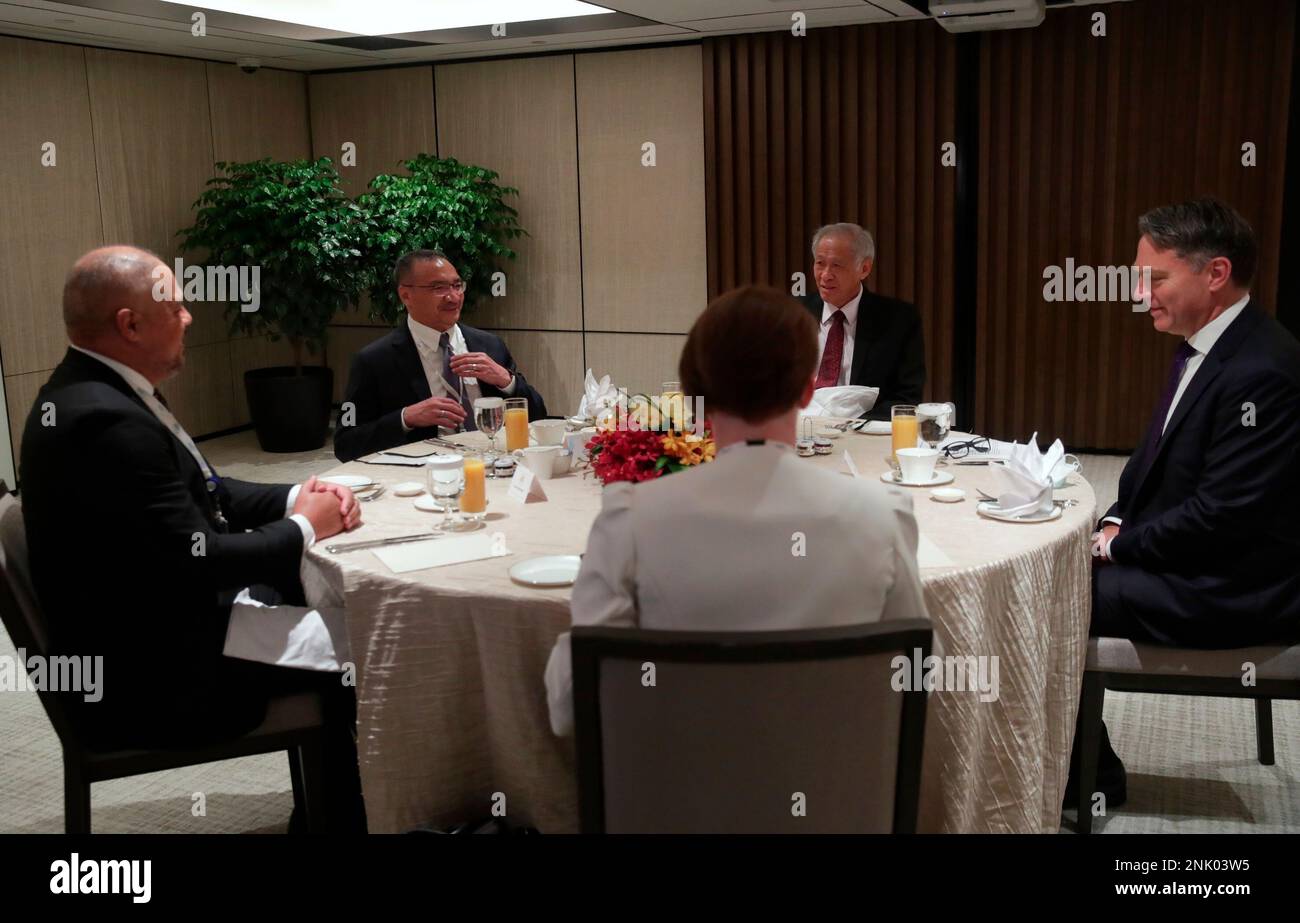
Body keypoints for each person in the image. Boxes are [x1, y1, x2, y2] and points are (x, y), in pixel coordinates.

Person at [20, 246, 366, 830]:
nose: (189, 317)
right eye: (175, 306)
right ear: (129, 324)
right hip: (151, 679)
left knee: (316, 601)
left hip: (154, 629)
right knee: (361, 651)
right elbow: (198, 562)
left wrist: (299, 497)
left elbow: (209, 492)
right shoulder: (103, 422)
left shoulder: (102, 389)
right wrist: (306, 526)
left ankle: (323, 816)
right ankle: (338, 825)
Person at [544, 285, 931, 736]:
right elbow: (918, 679)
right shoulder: (882, 516)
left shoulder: (631, 520)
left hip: (669, 802)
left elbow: (571, 706)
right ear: (810, 389)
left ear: (693, 392)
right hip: (840, 798)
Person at [1071, 198, 1300, 808]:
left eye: (1155, 278)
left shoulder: (1262, 370)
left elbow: (1224, 515)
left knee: (1057, 597)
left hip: (1235, 587)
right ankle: (1079, 764)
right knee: (1061, 571)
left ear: (1215, 274)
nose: (1140, 294)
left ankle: (1090, 776)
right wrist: (1118, 515)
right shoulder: (1207, 343)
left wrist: (1120, 547)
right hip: (1207, 559)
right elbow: (1148, 463)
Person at [333, 250, 547, 461]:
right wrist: (406, 418)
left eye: (457, 285)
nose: (453, 297)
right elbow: (346, 445)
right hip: (426, 475)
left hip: (497, 462)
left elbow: (539, 417)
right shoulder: (375, 360)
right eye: (438, 288)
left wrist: (506, 381)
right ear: (406, 295)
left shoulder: (489, 345)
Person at [799, 222, 925, 420]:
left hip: (864, 433)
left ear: (864, 269)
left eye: (837, 265)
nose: (825, 275)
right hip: (800, 430)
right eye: (820, 263)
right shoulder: (792, 314)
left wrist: (855, 427)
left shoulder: (898, 320)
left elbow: (906, 397)